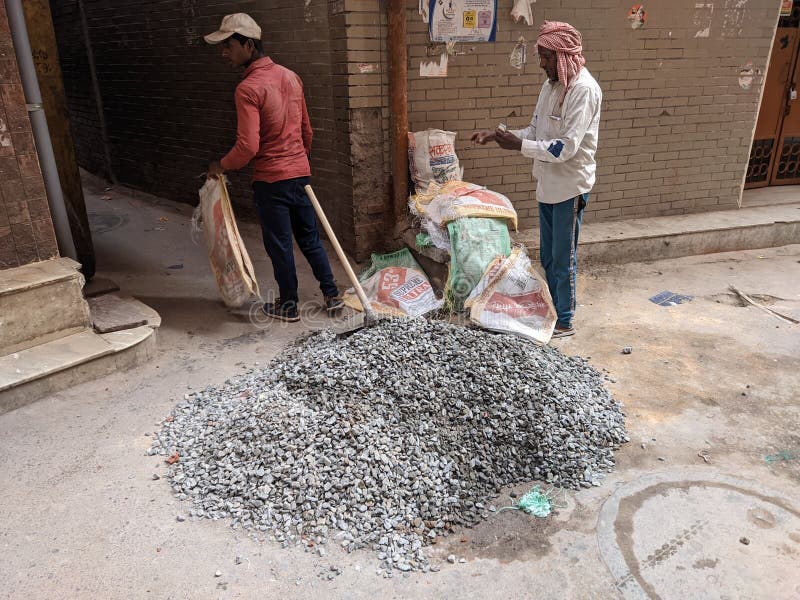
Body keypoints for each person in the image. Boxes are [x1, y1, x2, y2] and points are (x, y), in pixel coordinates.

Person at [204, 13, 342, 323]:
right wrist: (296, 160)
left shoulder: (248, 89)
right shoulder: (291, 76)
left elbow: (248, 148)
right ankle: (332, 295)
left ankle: (289, 305)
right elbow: (307, 131)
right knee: (309, 238)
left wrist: (220, 166)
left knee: (280, 244)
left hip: (271, 181)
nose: (224, 53)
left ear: (248, 45)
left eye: (228, 46)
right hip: (299, 175)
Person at [471, 21, 601, 338]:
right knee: (548, 256)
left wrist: (520, 145)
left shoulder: (583, 90)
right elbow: (535, 132)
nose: (541, 63)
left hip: (569, 187)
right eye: (540, 56)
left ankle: (566, 319)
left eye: (545, 57)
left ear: (563, 56)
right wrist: (502, 136)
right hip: (547, 184)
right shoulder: (550, 86)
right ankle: (555, 308)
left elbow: (565, 148)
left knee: (561, 257)